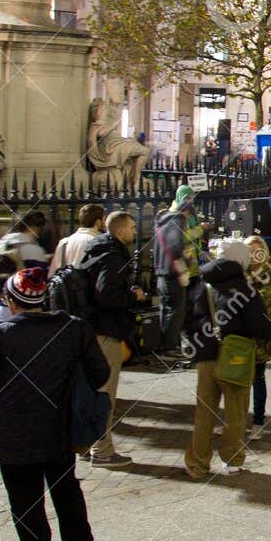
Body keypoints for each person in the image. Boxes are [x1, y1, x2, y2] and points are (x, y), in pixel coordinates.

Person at [0, 268, 109, 541]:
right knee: (66, 490)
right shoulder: (74, 328)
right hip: (60, 427)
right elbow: (100, 373)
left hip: (14, 433)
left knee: (25, 502)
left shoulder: (0, 335)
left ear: (11, 302)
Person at [182, 251, 271, 478]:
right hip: (236, 357)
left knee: (204, 413)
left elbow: (186, 321)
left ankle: (197, 465)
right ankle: (232, 461)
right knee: (236, 413)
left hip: (206, 358)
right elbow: (261, 325)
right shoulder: (245, 290)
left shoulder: (201, 288)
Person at [81, 210, 143, 467]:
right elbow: (107, 294)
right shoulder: (114, 257)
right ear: (120, 230)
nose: (135, 232)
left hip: (90, 330)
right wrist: (133, 296)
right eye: (132, 227)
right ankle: (102, 451)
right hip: (106, 332)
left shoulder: (96, 250)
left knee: (92, 391)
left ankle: (85, 443)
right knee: (105, 394)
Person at [154, 184, 205, 358]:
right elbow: (177, 245)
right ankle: (169, 348)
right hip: (173, 274)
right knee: (176, 311)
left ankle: (165, 345)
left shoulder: (163, 220)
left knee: (167, 309)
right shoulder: (178, 220)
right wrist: (186, 259)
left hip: (162, 272)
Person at [242, 234, 271, 435]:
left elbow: (265, 300)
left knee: (258, 377)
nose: (253, 255)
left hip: (261, 332)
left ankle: (258, 421)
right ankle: (237, 420)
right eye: (249, 251)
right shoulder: (242, 270)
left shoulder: (270, 271)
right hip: (243, 333)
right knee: (239, 377)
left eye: (256, 250)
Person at [48, 204, 105, 273]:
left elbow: (53, 273)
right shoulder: (100, 242)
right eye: (104, 219)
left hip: (67, 279)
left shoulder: (65, 242)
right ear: (98, 222)